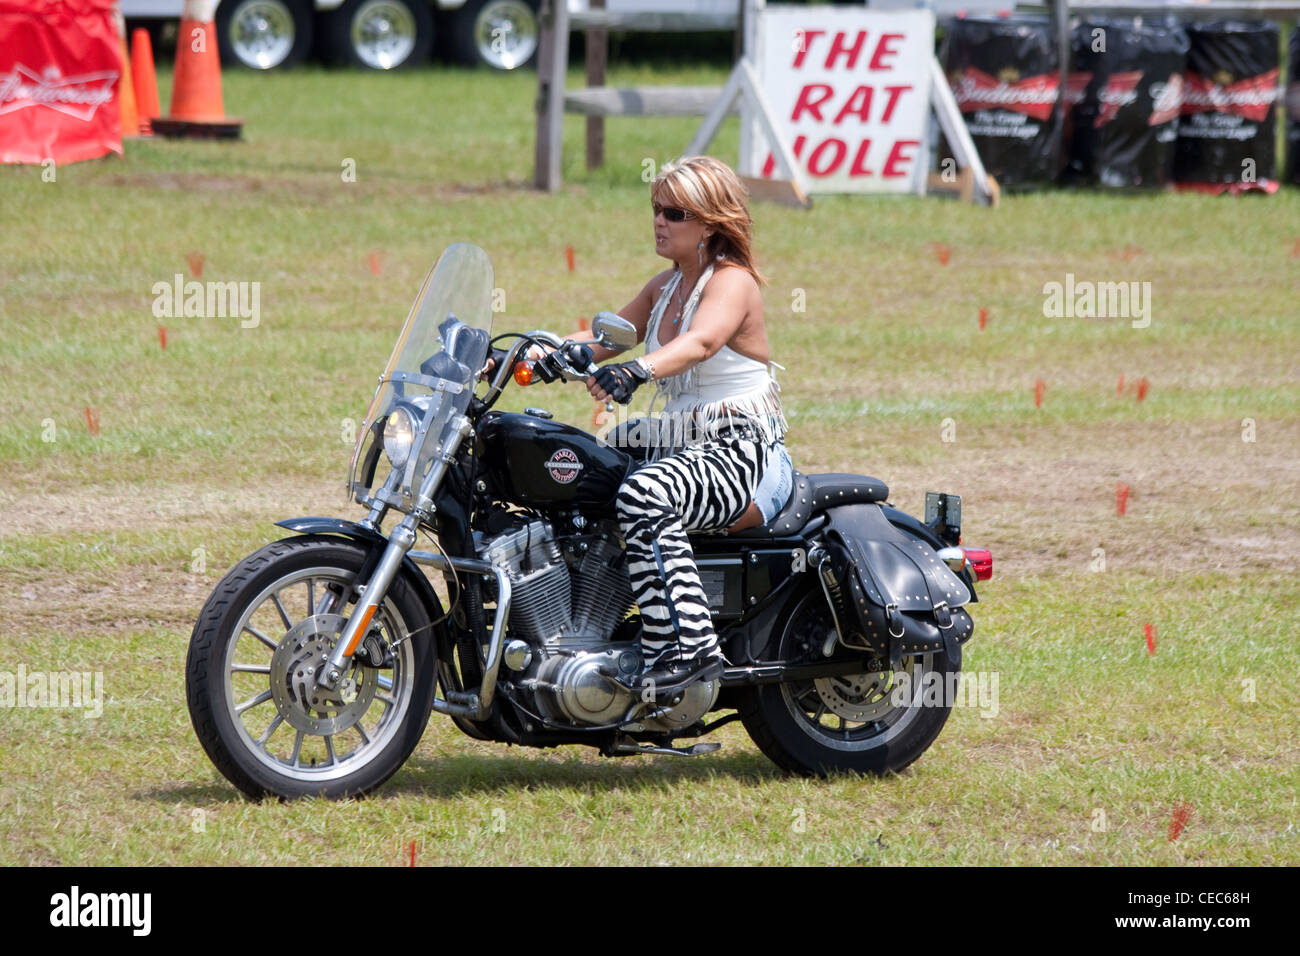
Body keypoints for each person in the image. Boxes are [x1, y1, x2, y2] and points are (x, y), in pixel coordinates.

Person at [584, 156, 793, 695]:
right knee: (584, 469)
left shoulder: (733, 282)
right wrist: (523, 354)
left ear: (709, 222)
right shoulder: (663, 286)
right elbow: (602, 339)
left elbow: (701, 342)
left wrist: (638, 370)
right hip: (678, 441)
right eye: (656, 208)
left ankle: (688, 648)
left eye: (674, 212)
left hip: (739, 450)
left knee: (644, 495)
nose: (659, 221)